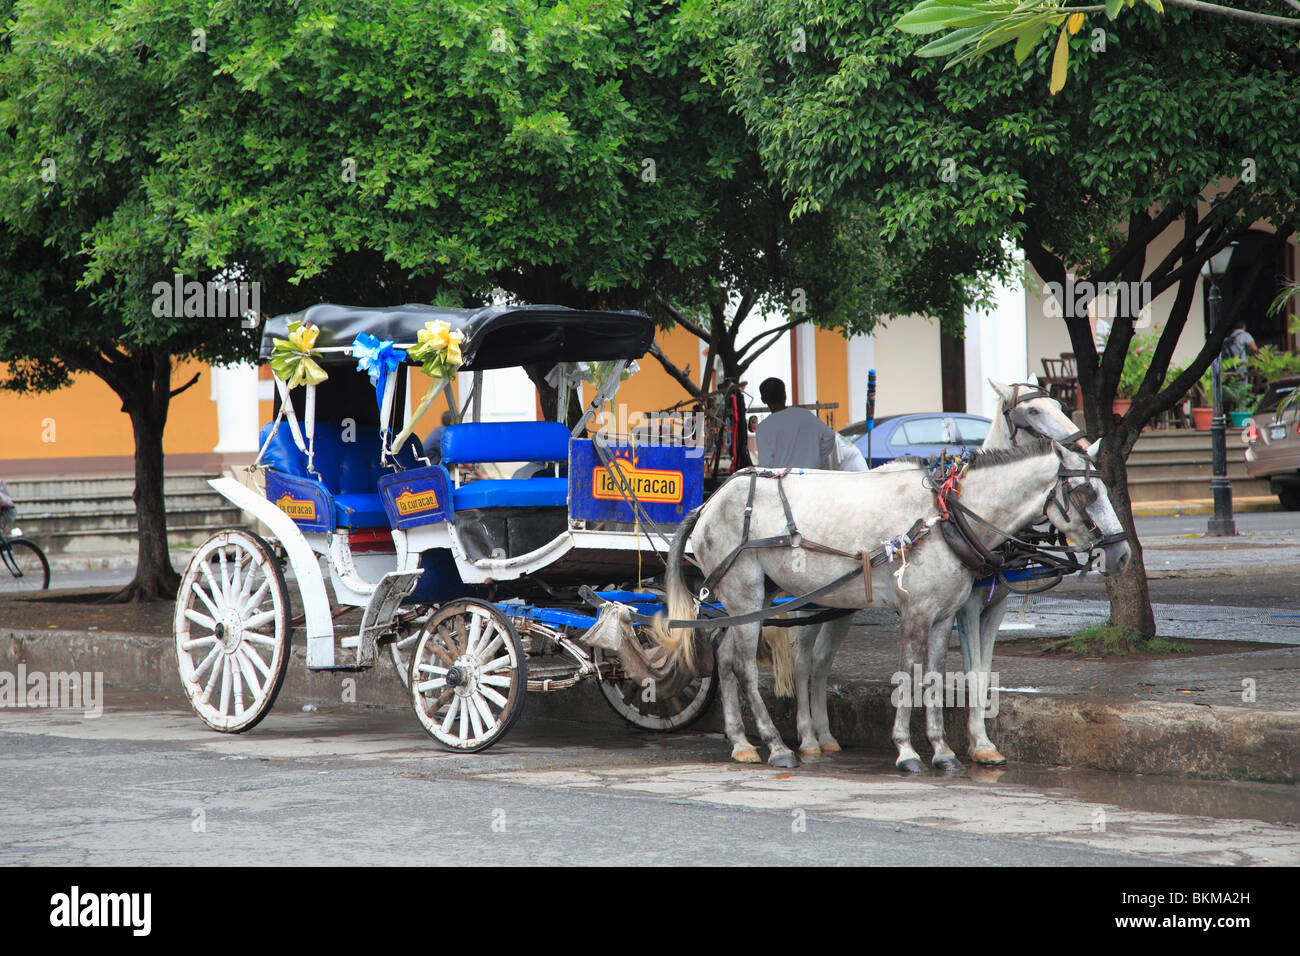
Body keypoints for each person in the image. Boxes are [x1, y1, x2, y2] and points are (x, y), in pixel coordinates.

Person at [755, 378, 837, 470]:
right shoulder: (804, 415)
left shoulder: (763, 428)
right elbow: (830, 435)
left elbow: (766, 465)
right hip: (811, 475)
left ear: (763, 400)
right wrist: (817, 459)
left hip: (783, 477)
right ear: (785, 395)